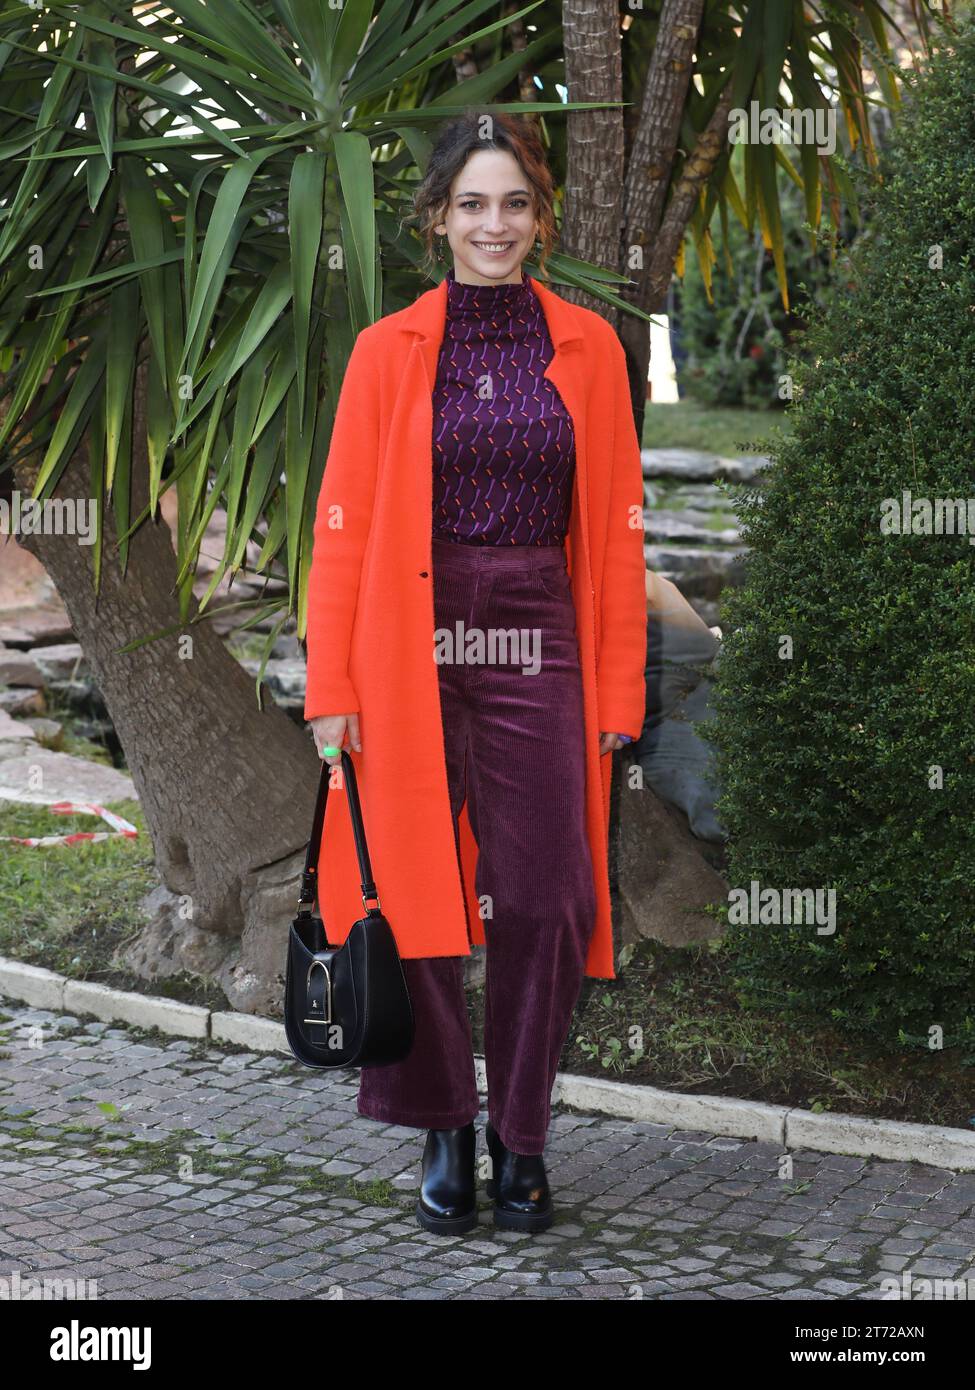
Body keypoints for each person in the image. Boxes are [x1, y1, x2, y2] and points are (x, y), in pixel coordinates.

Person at [304, 110, 647, 1237]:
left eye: (512, 203)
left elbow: (614, 534)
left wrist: (619, 688)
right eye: (471, 204)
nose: (492, 224)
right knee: (414, 888)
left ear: (540, 219)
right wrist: (333, 690)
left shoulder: (590, 349)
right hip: (409, 633)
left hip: (537, 623)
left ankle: (522, 1136)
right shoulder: (386, 350)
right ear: (437, 219)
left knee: (546, 890)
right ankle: (446, 1118)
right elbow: (342, 532)